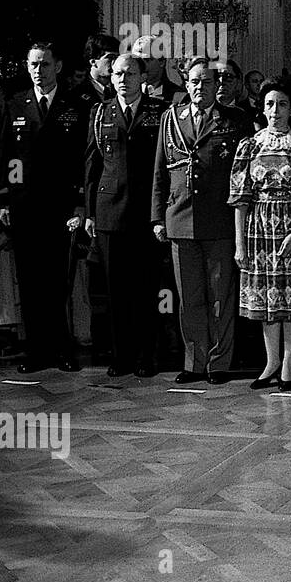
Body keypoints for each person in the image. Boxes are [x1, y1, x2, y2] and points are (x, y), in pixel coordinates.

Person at [152, 62, 249, 385]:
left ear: (216, 84)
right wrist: (157, 216)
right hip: (180, 219)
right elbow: (160, 172)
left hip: (220, 220)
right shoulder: (170, 118)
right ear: (186, 83)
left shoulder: (234, 120)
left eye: (206, 82)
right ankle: (194, 361)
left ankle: (219, 362)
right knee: (189, 297)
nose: (200, 87)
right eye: (194, 82)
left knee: (221, 296)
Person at [230, 80, 291, 392]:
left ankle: (289, 361)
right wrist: (239, 244)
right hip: (258, 229)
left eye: (282, 104)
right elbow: (239, 198)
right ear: (262, 107)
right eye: (270, 104)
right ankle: (270, 362)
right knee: (267, 302)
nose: (275, 111)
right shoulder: (248, 146)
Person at [0, 42, 86, 374]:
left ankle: (62, 348)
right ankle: (36, 350)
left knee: (58, 281)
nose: (39, 70)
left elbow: (81, 158)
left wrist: (79, 203)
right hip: (25, 208)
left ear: (58, 66)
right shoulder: (15, 104)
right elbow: (6, 156)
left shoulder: (75, 104)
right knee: (31, 280)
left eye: (45, 64)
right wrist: (4, 200)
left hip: (61, 210)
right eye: (34, 64)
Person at [83, 55, 168, 377]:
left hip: (145, 213)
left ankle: (147, 355)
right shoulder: (100, 112)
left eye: (130, 73)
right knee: (116, 291)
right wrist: (90, 212)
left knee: (146, 289)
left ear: (142, 76)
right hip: (109, 214)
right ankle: (121, 356)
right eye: (117, 73)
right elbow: (91, 166)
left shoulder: (159, 112)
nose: (122, 79)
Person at [77, 34, 118, 104]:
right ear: (93, 62)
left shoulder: (121, 88)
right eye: (110, 57)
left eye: (117, 58)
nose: (115, 62)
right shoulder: (78, 93)